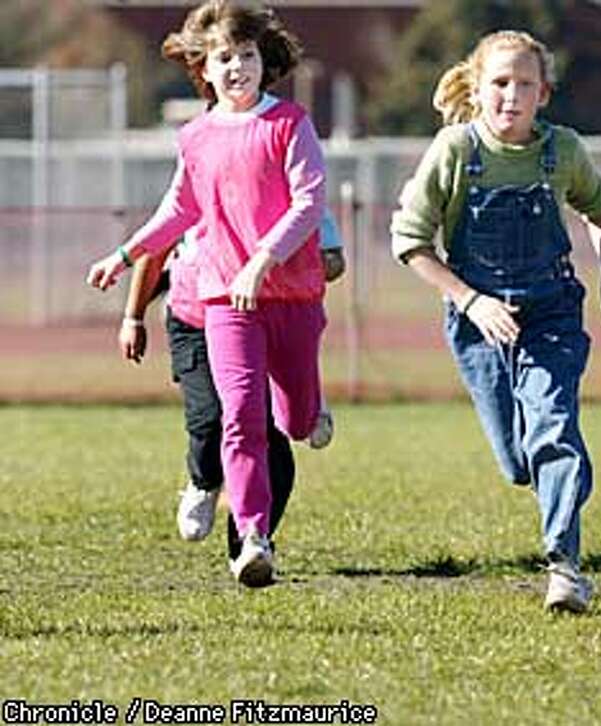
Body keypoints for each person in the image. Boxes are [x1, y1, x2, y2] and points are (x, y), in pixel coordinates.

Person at [390, 30, 601, 613]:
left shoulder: (563, 151)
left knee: (551, 426)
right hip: (479, 320)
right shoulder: (455, 151)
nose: (511, 95)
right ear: (477, 90)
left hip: (551, 309)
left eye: (524, 84)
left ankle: (565, 566)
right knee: (516, 459)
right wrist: (471, 300)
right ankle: (563, 475)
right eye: (500, 83)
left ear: (543, 94)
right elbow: (410, 241)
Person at [86, 0, 328, 588]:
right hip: (224, 296)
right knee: (240, 415)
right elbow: (180, 207)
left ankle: (311, 407)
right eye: (224, 58)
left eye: (246, 55)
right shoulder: (195, 136)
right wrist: (124, 255)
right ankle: (252, 537)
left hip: (290, 295)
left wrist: (262, 262)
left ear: (261, 59)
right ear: (205, 67)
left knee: (293, 422)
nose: (237, 67)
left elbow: (308, 201)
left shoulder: (289, 123)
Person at [118, 211, 345, 567]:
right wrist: (133, 317)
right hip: (194, 321)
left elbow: (333, 260)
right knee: (212, 419)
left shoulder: (299, 194)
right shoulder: (200, 182)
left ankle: (251, 546)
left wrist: (290, 260)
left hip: (259, 317)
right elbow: (155, 248)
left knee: (267, 439)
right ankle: (204, 480)